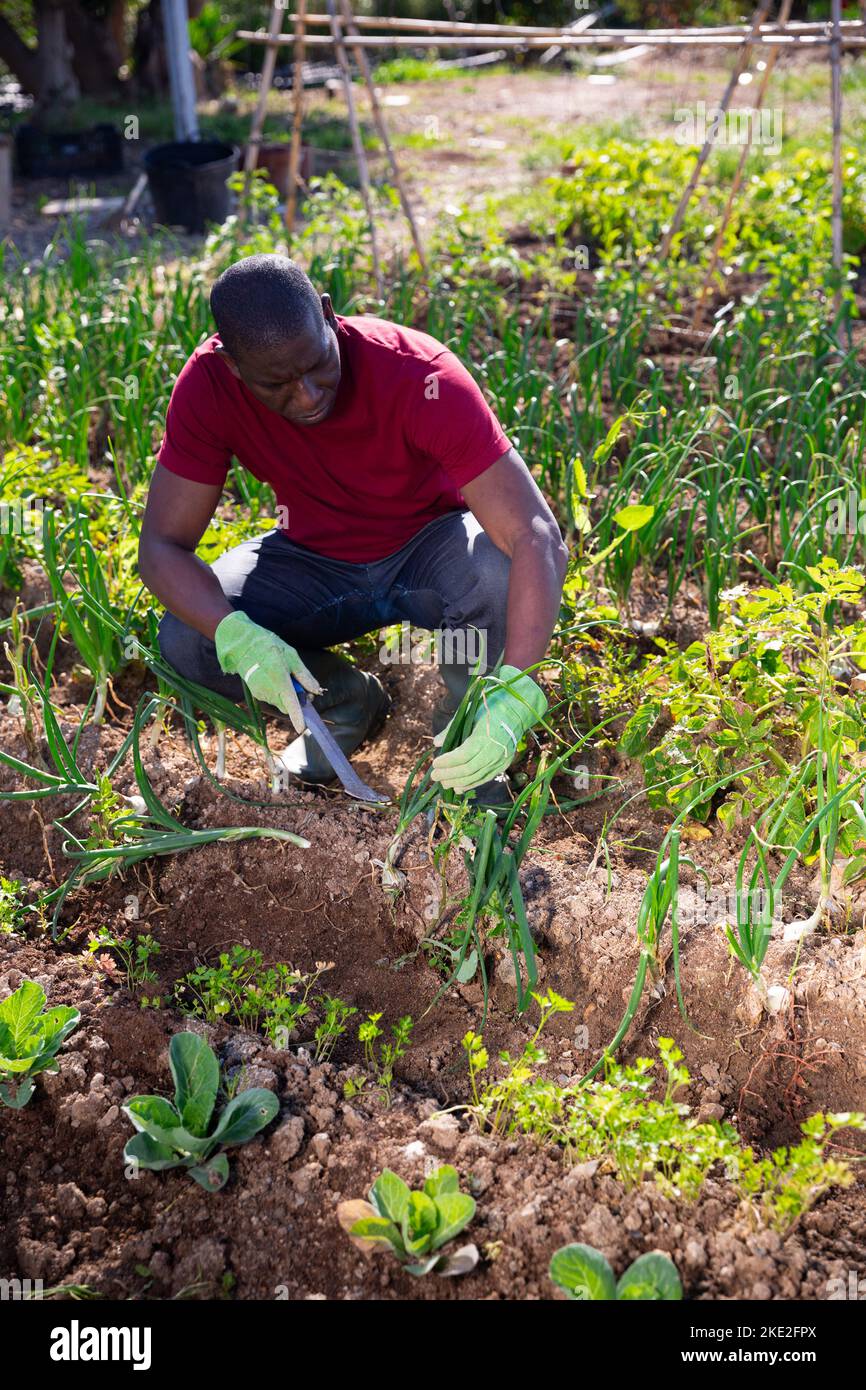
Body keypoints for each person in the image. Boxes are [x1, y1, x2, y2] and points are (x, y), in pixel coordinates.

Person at [138, 254, 567, 798]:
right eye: (278, 385)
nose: (309, 395)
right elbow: (161, 547)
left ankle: (469, 746)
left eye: (318, 365)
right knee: (189, 638)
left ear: (327, 314)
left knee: (498, 572)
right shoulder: (208, 388)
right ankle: (345, 702)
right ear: (232, 364)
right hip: (312, 558)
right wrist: (240, 639)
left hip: (427, 549)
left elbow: (536, 534)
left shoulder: (418, 374)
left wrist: (516, 691)